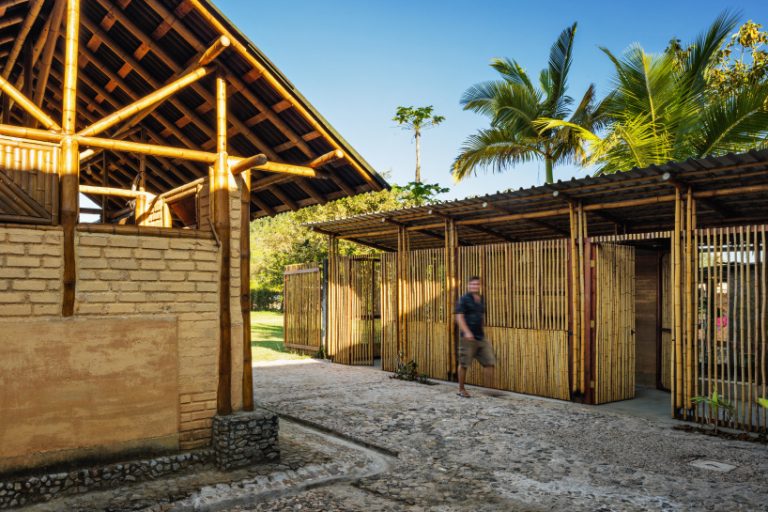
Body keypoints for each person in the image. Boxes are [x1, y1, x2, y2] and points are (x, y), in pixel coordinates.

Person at [454, 276, 496, 397]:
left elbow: (481, 316)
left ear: (480, 286)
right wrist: (467, 332)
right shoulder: (464, 299)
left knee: (489, 362)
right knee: (464, 363)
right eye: (472, 284)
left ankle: (489, 390)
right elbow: (459, 317)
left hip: (480, 337)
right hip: (467, 338)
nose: (474, 286)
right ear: (468, 285)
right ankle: (461, 389)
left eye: (476, 284)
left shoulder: (481, 299)